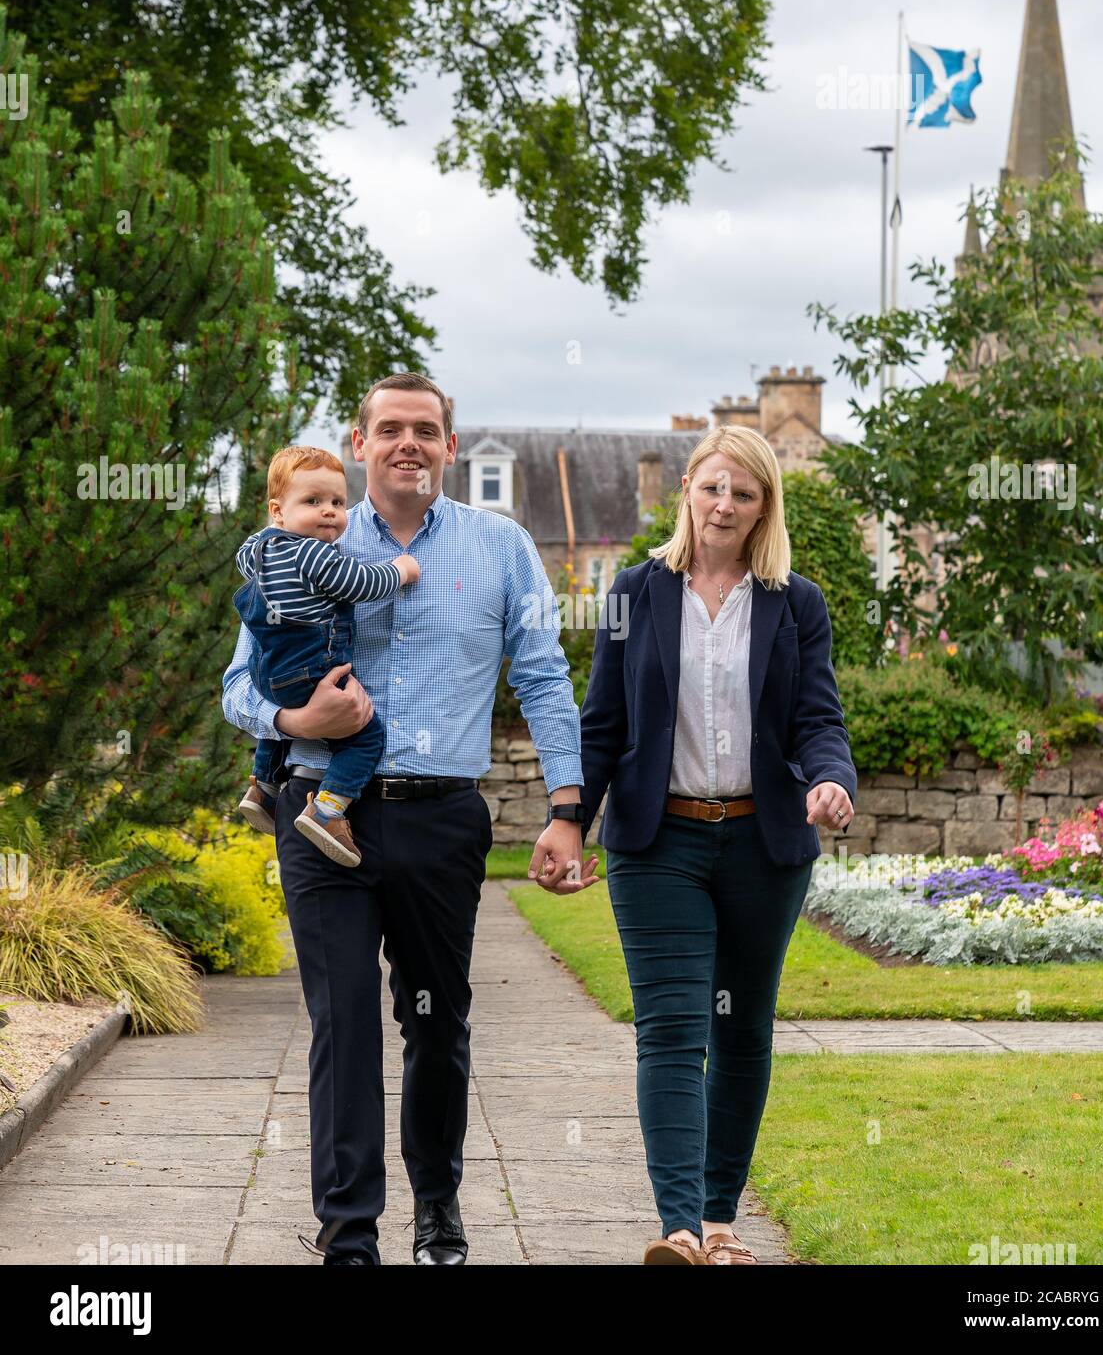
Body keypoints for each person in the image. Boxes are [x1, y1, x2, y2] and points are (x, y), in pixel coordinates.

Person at [221, 373, 598, 1266]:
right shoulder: (298, 536)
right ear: (359, 445)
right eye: (389, 429)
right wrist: (293, 723)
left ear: (449, 448)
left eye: (425, 430)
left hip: (440, 820)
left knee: (436, 1021)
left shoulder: (502, 547)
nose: (407, 444)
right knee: (340, 1021)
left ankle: (437, 1206)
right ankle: (348, 1234)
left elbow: (543, 678)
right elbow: (238, 684)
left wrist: (567, 807)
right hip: (319, 813)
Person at [573, 423, 857, 1265]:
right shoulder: (632, 591)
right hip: (657, 844)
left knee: (742, 1031)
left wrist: (829, 779)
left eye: (743, 491)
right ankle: (680, 1230)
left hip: (762, 847)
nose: (724, 504)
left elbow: (817, 718)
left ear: (763, 504)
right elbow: (601, 727)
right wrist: (565, 820)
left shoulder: (793, 602)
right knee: (670, 1029)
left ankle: (721, 1218)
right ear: (686, 492)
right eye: (711, 487)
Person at [233, 445, 421, 867]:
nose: (330, 512)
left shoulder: (259, 549)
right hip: (311, 668)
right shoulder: (314, 553)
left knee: (279, 723)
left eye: (338, 502)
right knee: (365, 736)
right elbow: (359, 584)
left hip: (268, 673)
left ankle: (262, 787)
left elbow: (247, 566)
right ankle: (328, 809)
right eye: (313, 502)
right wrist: (402, 570)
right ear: (278, 511)